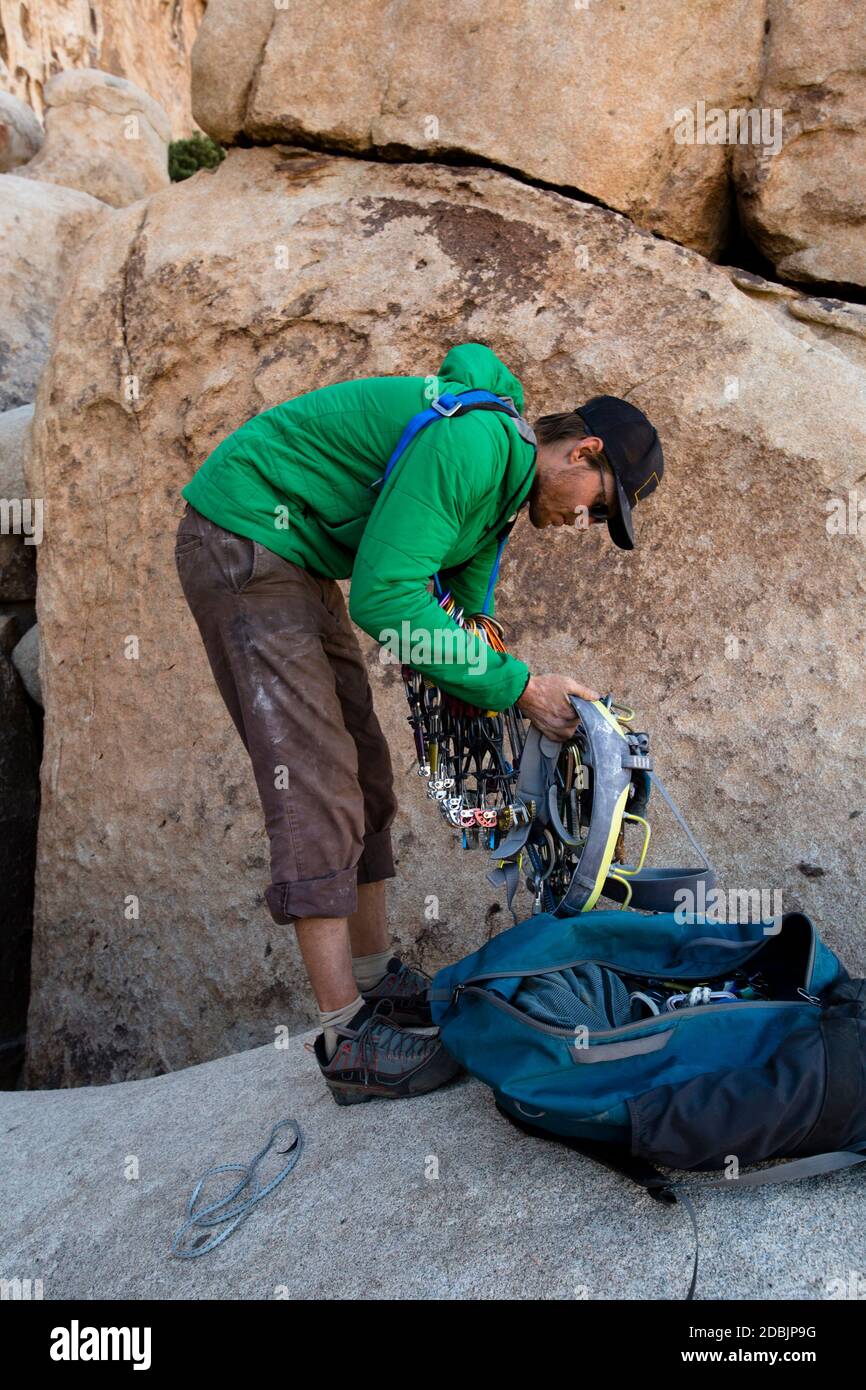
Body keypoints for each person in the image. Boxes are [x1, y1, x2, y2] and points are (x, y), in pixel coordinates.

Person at [174, 342, 663, 1105]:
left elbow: (461, 620)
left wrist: (504, 677)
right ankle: (344, 1037)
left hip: (295, 558)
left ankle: (373, 984)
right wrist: (520, 686)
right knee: (314, 773)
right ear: (583, 449)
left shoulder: (500, 497)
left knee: (366, 767)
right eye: (597, 504)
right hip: (246, 537)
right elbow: (385, 602)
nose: (581, 522)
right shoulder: (475, 445)